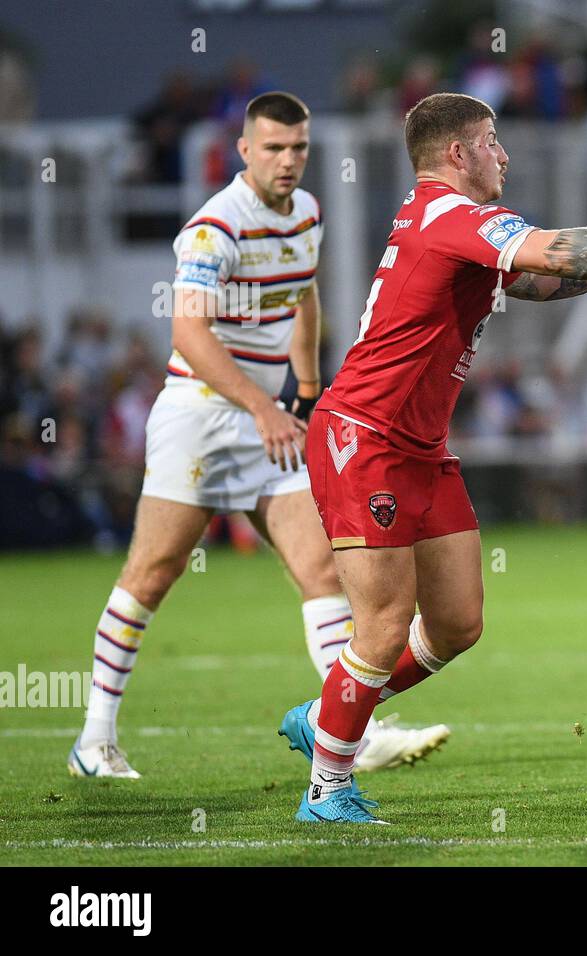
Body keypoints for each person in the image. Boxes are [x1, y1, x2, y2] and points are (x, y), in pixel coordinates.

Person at [281, 92, 587, 823]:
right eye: (492, 141)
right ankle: (327, 789)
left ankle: (326, 714)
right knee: (379, 625)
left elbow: (543, 279)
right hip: (362, 440)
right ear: (458, 154)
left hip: (420, 449)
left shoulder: (456, 228)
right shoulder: (452, 215)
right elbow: (553, 249)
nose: (504, 154)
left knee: (457, 624)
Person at [68, 92, 447, 781]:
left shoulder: (305, 213)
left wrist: (304, 387)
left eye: (298, 147)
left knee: (323, 570)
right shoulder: (217, 227)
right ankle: (94, 738)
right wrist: (264, 408)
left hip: (267, 421)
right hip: (202, 418)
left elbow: (303, 295)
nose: (288, 160)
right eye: (273, 148)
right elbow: (188, 331)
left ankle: (348, 736)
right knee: (154, 573)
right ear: (244, 150)